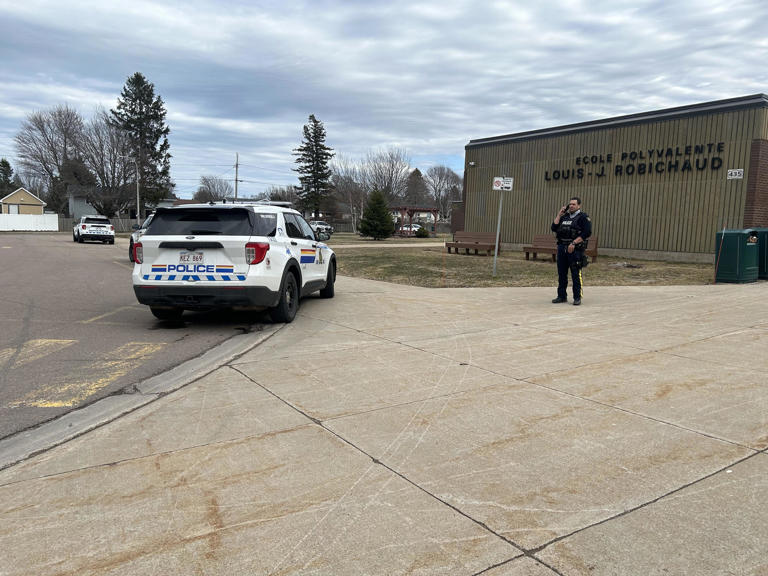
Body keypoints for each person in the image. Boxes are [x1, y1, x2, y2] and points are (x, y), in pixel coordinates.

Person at [551, 196, 592, 306]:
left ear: (579, 205)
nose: (571, 206)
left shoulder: (583, 217)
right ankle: (561, 296)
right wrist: (559, 214)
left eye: (574, 204)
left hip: (575, 249)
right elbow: (554, 227)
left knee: (575, 274)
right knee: (562, 273)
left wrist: (574, 243)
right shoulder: (564, 217)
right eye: (570, 204)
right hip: (562, 248)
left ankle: (577, 297)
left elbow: (587, 232)